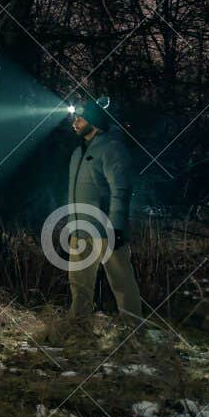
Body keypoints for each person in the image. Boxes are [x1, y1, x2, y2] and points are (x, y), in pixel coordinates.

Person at [65, 100, 149, 337]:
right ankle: (79, 327)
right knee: (79, 282)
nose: (75, 123)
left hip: (106, 231)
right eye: (74, 119)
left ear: (95, 122)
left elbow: (120, 190)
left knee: (121, 282)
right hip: (81, 231)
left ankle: (134, 331)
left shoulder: (112, 148)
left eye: (80, 119)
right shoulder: (77, 153)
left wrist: (117, 227)